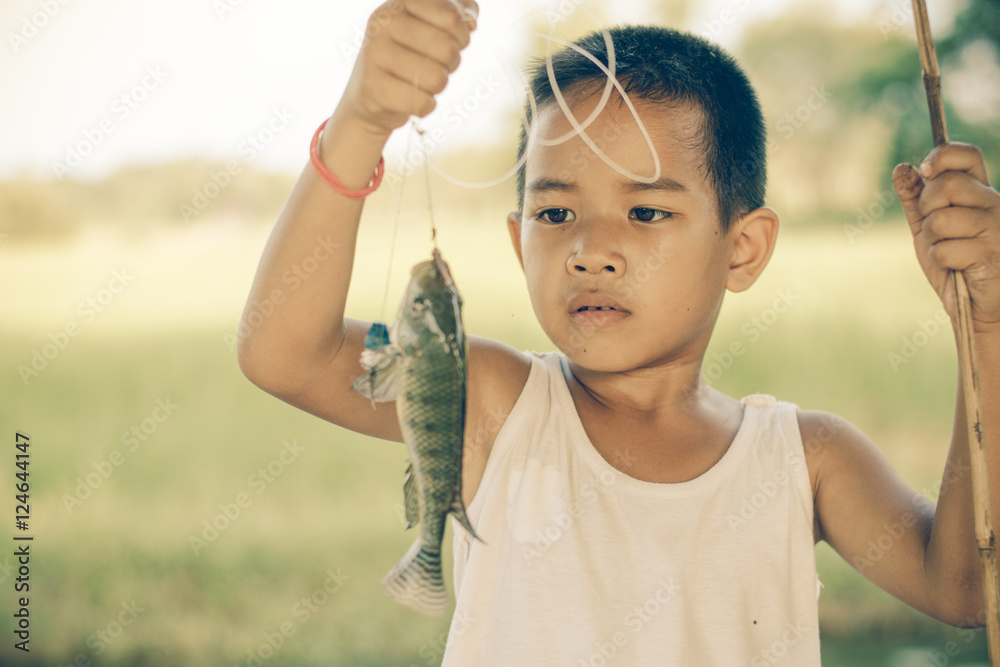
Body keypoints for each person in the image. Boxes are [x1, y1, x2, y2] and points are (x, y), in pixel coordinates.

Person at [237, 0, 1000, 663]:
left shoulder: (807, 460)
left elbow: (964, 584)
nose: (590, 250)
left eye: (645, 212)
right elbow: (286, 352)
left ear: (743, 247)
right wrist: (363, 122)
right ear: (517, 240)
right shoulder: (499, 407)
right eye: (555, 212)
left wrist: (988, 326)